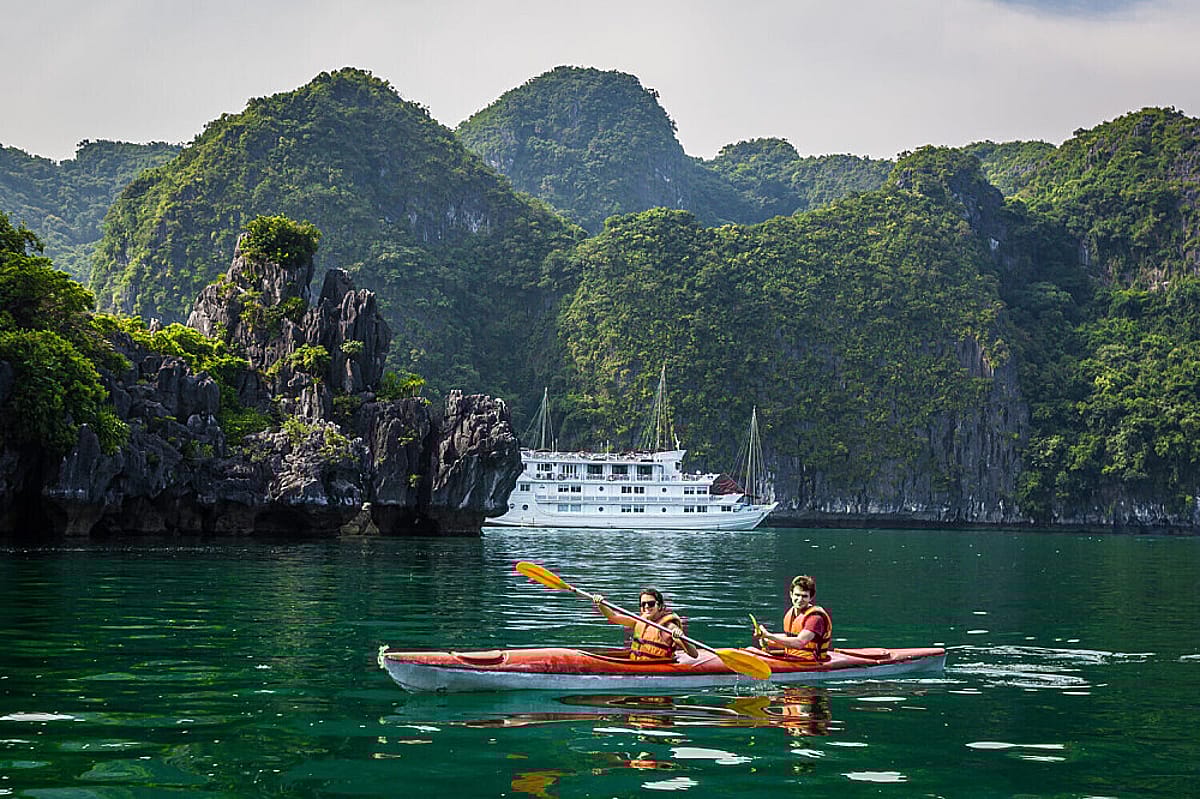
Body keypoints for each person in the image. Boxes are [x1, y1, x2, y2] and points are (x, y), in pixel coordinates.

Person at [591, 587, 699, 660]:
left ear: (660, 606)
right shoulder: (640, 621)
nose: (647, 606)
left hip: (657, 666)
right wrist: (601, 603)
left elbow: (694, 654)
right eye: (643, 604)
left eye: (651, 603)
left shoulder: (669, 627)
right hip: (636, 661)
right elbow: (613, 616)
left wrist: (682, 638)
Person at [753, 575, 832, 660]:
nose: (800, 599)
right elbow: (790, 636)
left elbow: (799, 642)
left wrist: (769, 636)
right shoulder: (791, 613)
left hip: (810, 661)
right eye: (797, 595)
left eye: (804, 596)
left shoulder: (815, 618)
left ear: (811, 598)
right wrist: (766, 638)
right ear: (791, 594)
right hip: (792, 657)